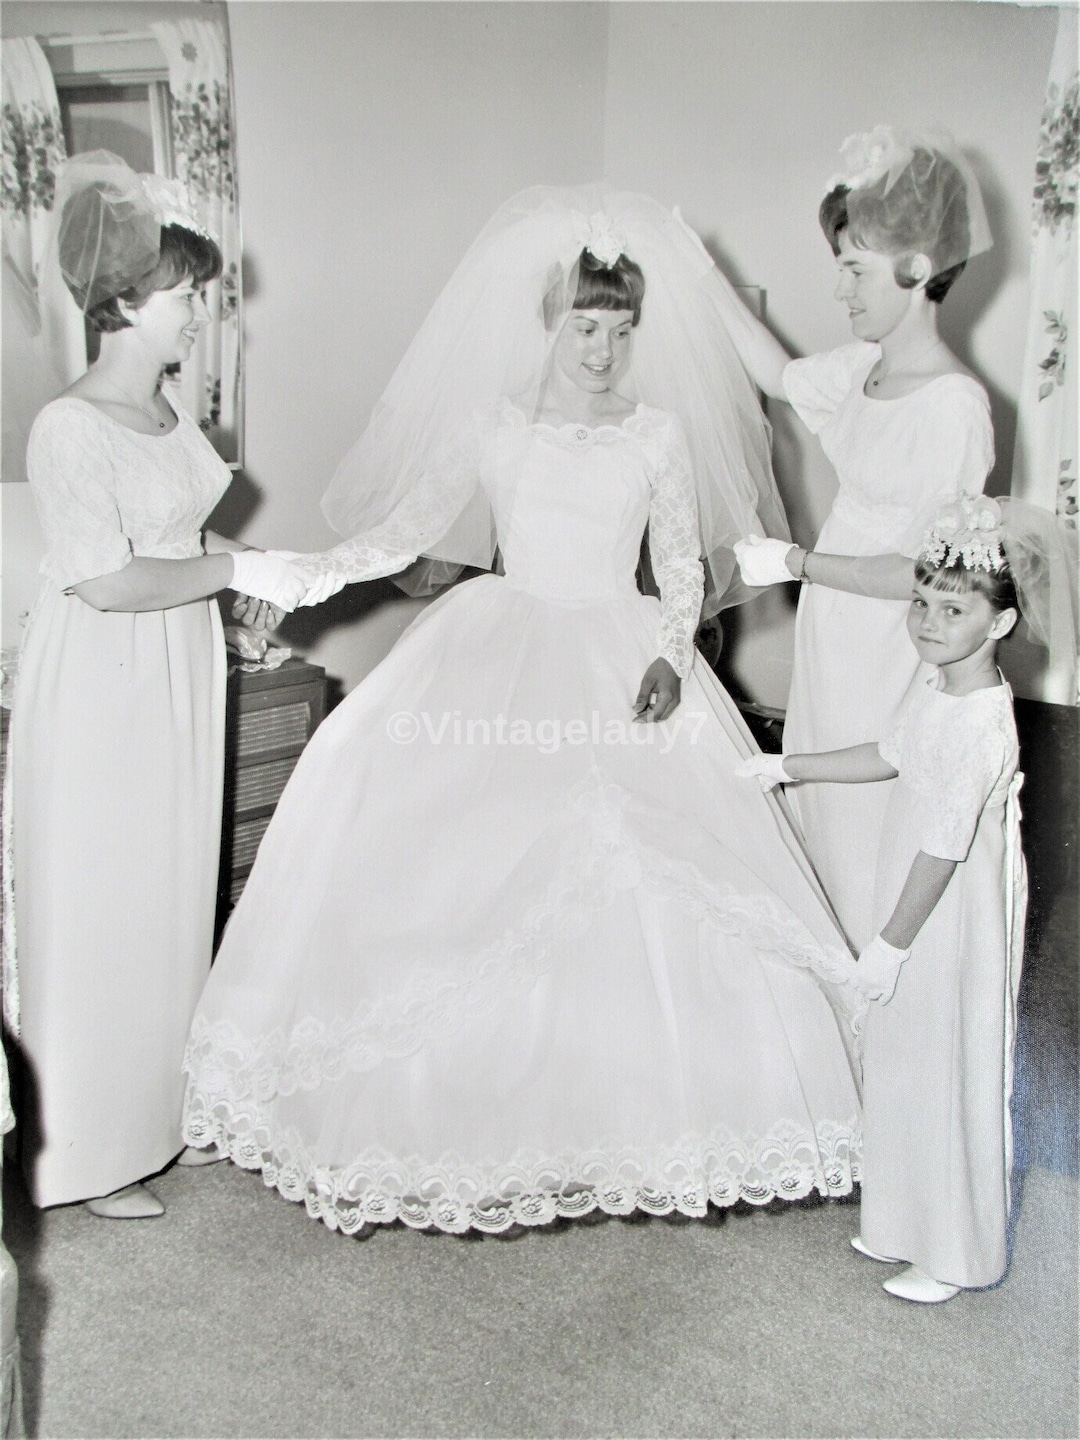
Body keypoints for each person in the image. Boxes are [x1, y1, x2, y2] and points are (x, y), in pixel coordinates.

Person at [182, 186, 865, 1237]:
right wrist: (300, 576)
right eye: (584, 325)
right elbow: (402, 536)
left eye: (621, 328)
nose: (602, 348)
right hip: (498, 645)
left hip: (621, 646)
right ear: (547, 323)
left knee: (646, 864)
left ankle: (631, 1121)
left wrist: (673, 653)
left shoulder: (658, 434)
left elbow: (681, 568)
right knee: (430, 826)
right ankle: (444, 1120)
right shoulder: (492, 424)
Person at [8, 153, 306, 1218]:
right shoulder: (67, 427)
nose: (200, 317)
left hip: (179, 666)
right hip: (104, 678)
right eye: (187, 298)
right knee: (100, 905)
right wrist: (235, 571)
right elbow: (104, 578)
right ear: (126, 300)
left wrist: (241, 594)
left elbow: (178, 536)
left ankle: (154, 1121)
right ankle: (82, 1153)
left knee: (169, 895)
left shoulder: (172, 417)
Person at [738, 493, 1076, 1302]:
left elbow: (945, 847)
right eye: (921, 602)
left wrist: (890, 943)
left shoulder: (982, 720)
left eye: (952, 609)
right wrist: (791, 766)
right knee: (905, 1058)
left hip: (946, 913)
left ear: (998, 625)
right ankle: (900, 1222)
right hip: (916, 895)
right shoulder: (937, 687)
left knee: (948, 1063)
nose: (926, 620)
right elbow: (889, 752)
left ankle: (959, 1253)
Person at [717, 127, 996, 952]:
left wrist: (800, 563)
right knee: (821, 813)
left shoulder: (954, 408)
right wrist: (707, 282)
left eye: (855, 269)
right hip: (834, 634)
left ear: (916, 269)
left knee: (872, 819)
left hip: (892, 645)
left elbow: (927, 575)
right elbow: (777, 375)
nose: (838, 290)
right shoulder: (859, 369)